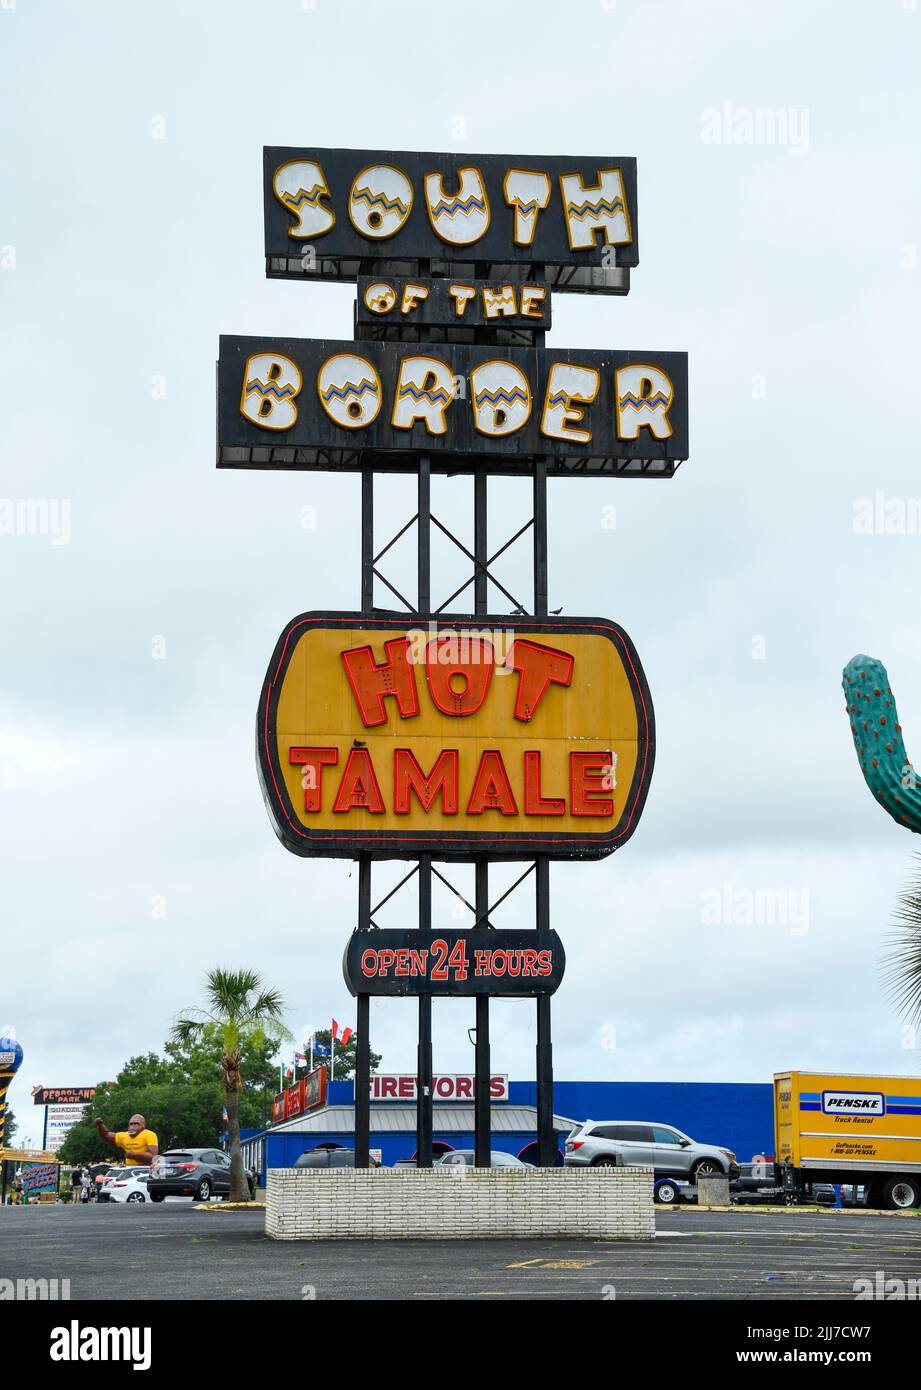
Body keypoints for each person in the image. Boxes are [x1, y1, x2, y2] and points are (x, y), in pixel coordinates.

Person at [94, 1113, 158, 1167]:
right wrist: (100, 1125)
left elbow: (153, 1156)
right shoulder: (124, 1136)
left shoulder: (149, 1134)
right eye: (131, 1124)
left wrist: (134, 1155)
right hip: (129, 1167)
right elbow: (106, 1136)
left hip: (145, 1167)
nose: (132, 1126)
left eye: (136, 1124)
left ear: (143, 1125)